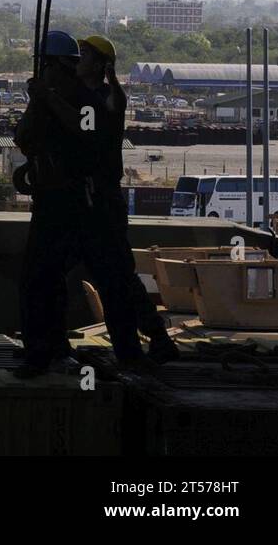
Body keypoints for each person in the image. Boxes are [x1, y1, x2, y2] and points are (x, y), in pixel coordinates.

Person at [15, 30, 146, 377]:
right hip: (66, 202)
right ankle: (46, 348)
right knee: (46, 279)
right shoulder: (66, 95)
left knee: (112, 279)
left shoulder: (95, 98)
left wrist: (45, 98)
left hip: (88, 205)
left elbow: (83, 129)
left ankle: (136, 349)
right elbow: (28, 139)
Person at [77, 35, 179, 363]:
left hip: (102, 202)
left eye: (85, 55)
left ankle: (150, 340)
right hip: (92, 202)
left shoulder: (106, 97)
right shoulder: (86, 97)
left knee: (118, 277)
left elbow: (109, 111)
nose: (78, 60)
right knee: (115, 278)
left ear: (101, 65)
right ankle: (141, 345)